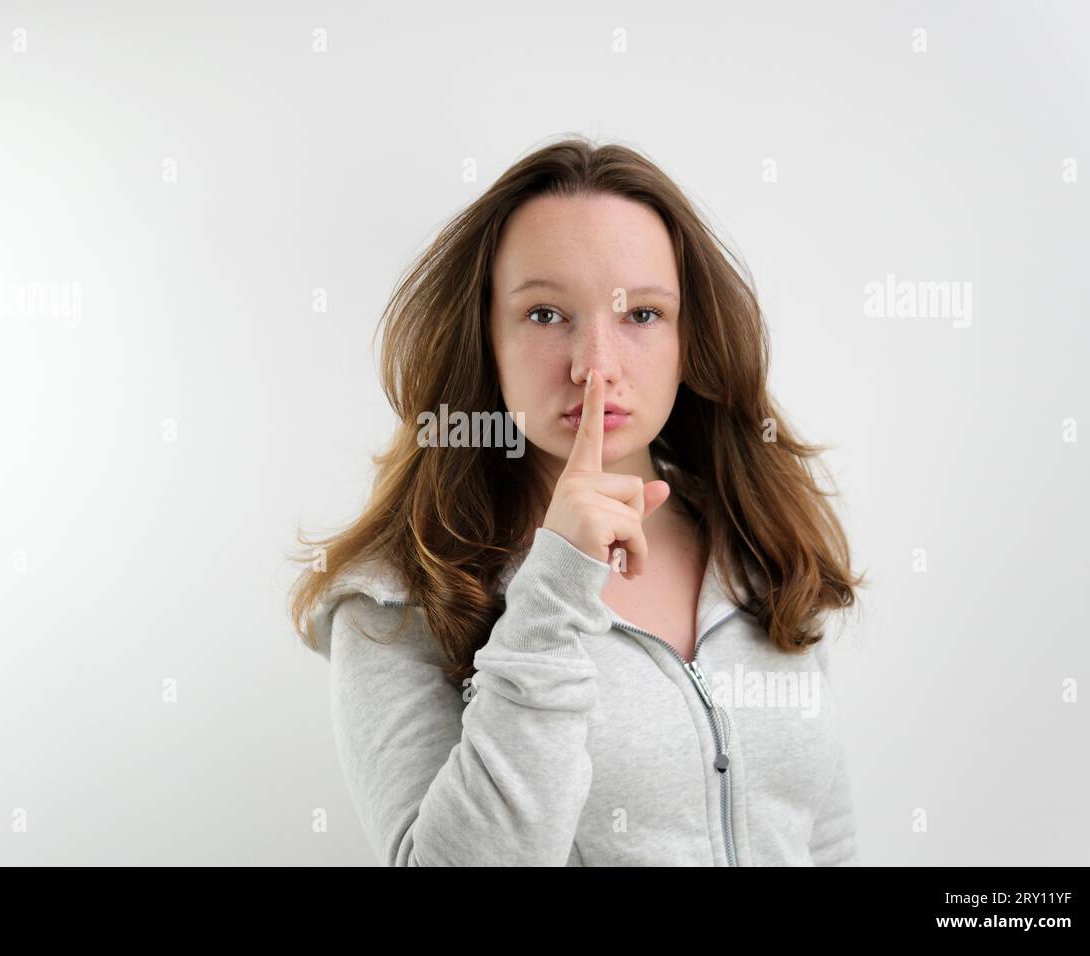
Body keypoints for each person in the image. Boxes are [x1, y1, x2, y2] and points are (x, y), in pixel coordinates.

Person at [289, 136, 867, 866]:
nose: (596, 365)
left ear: (692, 337)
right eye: (545, 315)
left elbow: (827, 838)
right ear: (484, 338)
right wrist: (555, 585)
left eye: (643, 315)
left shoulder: (760, 542)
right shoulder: (394, 599)